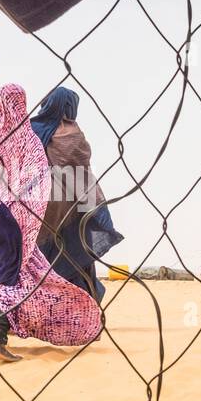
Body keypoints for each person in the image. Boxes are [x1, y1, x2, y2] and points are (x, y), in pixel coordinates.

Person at [0, 84, 103, 363]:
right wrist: (27, 212)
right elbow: (39, 180)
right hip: (17, 219)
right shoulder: (28, 140)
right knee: (14, 274)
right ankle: (1, 338)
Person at [29, 86, 124, 301]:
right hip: (72, 202)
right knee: (79, 249)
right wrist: (97, 210)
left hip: (36, 205)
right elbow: (82, 173)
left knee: (39, 256)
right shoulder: (72, 133)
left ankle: (42, 306)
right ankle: (84, 304)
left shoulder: (30, 128)